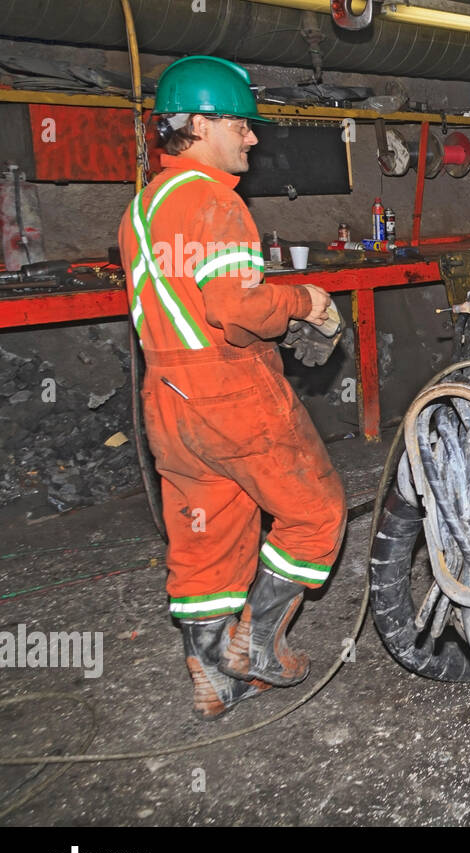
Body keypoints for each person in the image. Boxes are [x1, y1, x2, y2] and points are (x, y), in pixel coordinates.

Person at [117, 55, 347, 719]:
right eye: (240, 125)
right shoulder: (215, 202)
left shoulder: (141, 210)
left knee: (205, 533)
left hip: (169, 399)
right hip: (231, 393)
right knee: (315, 512)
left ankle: (214, 676)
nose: (251, 138)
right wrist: (304, 300)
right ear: (198, 124)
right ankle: (261, 648)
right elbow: (238, 310)